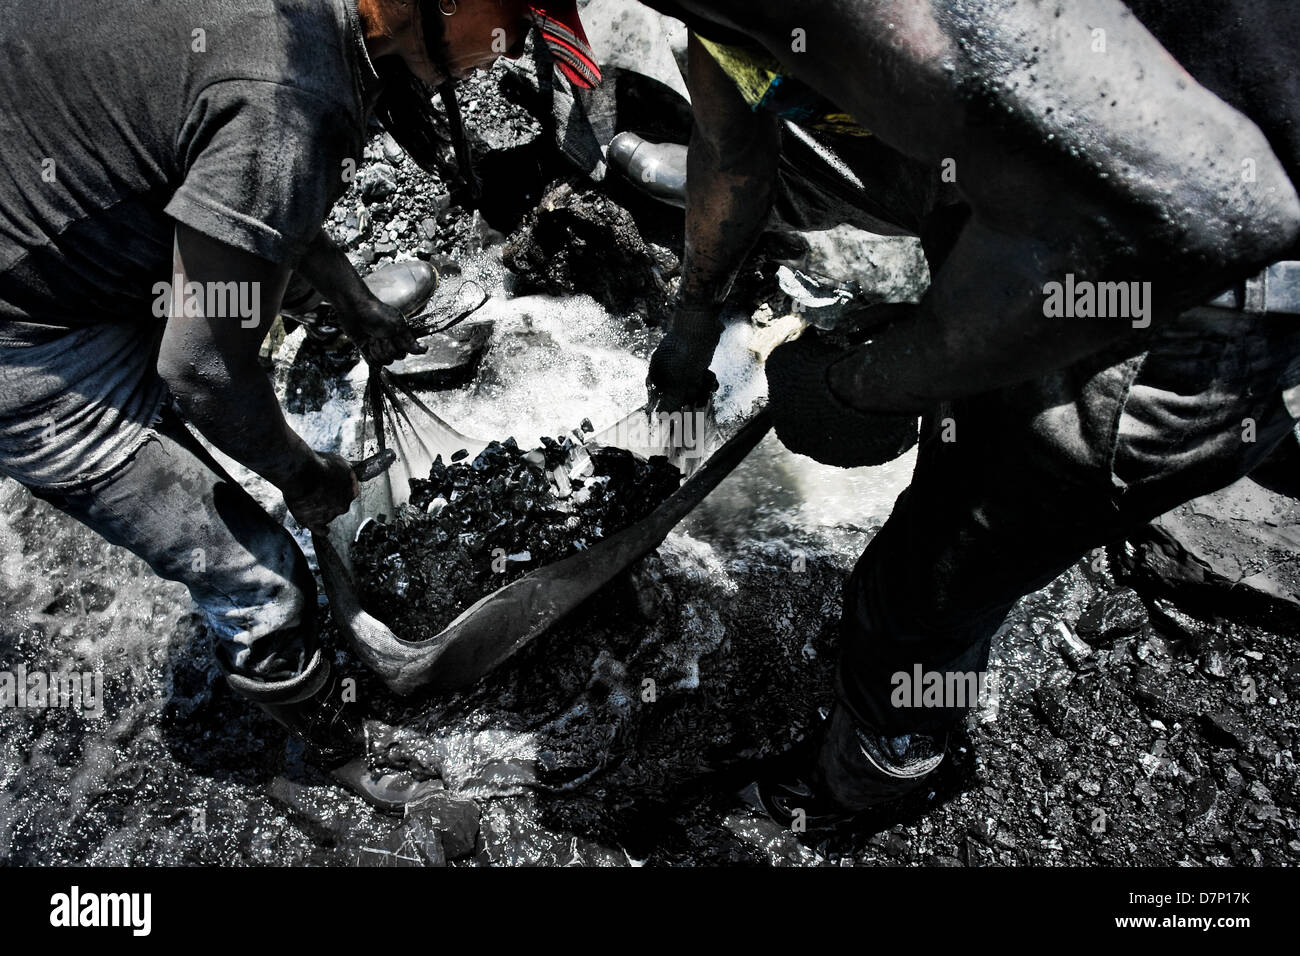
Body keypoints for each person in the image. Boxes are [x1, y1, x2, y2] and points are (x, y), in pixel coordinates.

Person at [637, 0, 1300, 822]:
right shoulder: (744, 22)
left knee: (922, 592)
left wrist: (865, 385)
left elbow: (1204, 221)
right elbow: (729, 133)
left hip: (1190, 265)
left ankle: (870, 783)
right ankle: (1268, 430)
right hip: (1176, 172)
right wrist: (696, 312)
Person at [0, 0, 601, 811]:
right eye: (511, 27)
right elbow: (203, 371)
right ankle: (328, 760)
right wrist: (303, 472)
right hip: (29, 344)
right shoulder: (294, 89)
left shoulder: (295, 31)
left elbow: (238, 172)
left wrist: (351, 299)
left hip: (59, 226)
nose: (505, 54)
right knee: (264, 577)